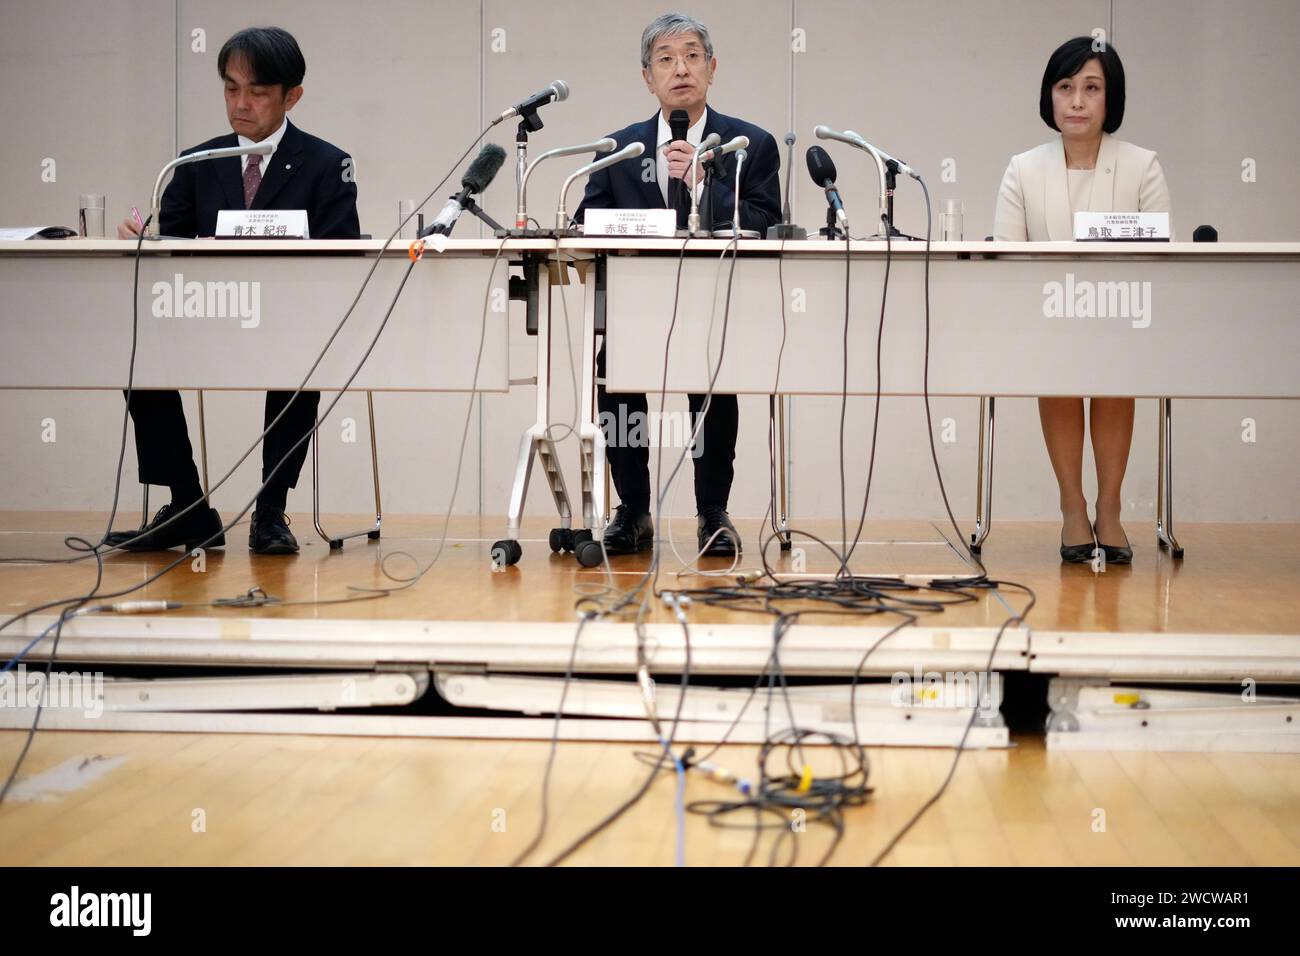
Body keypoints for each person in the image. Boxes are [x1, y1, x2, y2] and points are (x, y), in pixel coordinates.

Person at [110, 26, 360, 554]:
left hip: (288, 323)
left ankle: (270, 512)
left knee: (299, 364)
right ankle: (187, 505)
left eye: (257, 92)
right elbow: (169, 246)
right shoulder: (196, 163)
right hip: (207, 315)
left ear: (291, 96)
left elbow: (343, 255)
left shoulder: (326, 164)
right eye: (230, 89)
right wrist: (144, 238)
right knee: (137, 359)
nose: (240, 105)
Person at [577, 12, 781, 558]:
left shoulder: (748, 145)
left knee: (712, 390)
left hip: (713, 301)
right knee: (615, 384)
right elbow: (586, 223)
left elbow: (764, 219)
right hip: (632, 305)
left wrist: (700, 185)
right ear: (648, 77)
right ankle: (634, 512)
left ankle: (713, 513)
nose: (681, 69)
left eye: (692, 56)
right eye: (665, 59)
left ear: (712, 68)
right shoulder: (618, 150)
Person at [993, 36, 1171, 564]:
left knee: (1116, 371)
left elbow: (1158, 253)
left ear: (1109, 99)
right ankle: (1072, 506)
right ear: (1049, 98)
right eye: (1065, 87)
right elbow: (1006, 256)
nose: (1076, 101)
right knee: (1058, 371)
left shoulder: (1143, 166)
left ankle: (1110, 508)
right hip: (1048, 316)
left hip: (1122, 314)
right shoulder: (1023, 168)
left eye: (1091, 88)